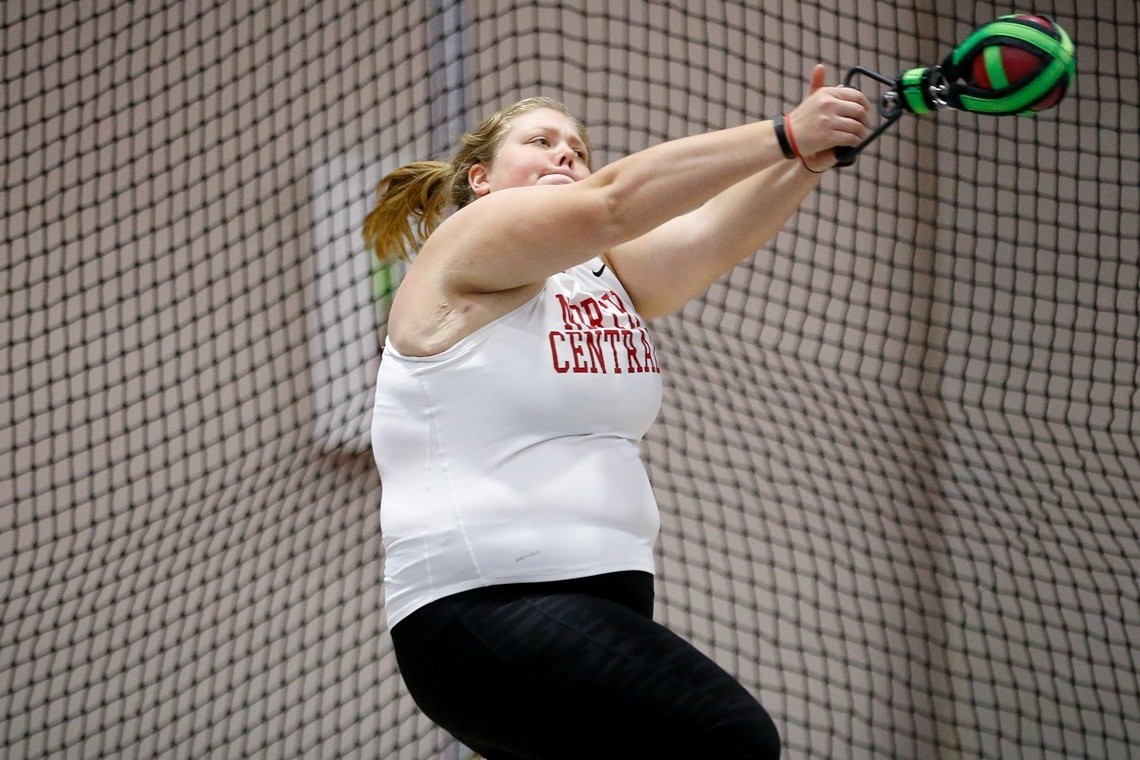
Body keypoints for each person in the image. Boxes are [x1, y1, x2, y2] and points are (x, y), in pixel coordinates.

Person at [364, 65, 870, 760]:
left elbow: (710, 239)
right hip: (483, 612)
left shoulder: (602, 277)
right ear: (480, 178)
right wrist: (784, 134)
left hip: (596, 608)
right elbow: (616, 201)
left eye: (576, 145)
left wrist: (805, 163)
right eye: (541, 141)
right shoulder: (467, 246)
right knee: (729, 736)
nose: (567, 152)